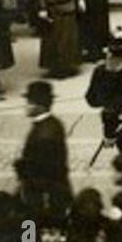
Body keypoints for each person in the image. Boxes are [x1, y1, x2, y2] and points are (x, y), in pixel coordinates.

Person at [14, 80, 72, 229]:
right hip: (50, 192)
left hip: (42, 194)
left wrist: (21, 168)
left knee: (31, 227)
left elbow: (43, 167)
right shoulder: (52, 124)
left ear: (38, 105)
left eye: (28, 102)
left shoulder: (45, 134)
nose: (25, 106)